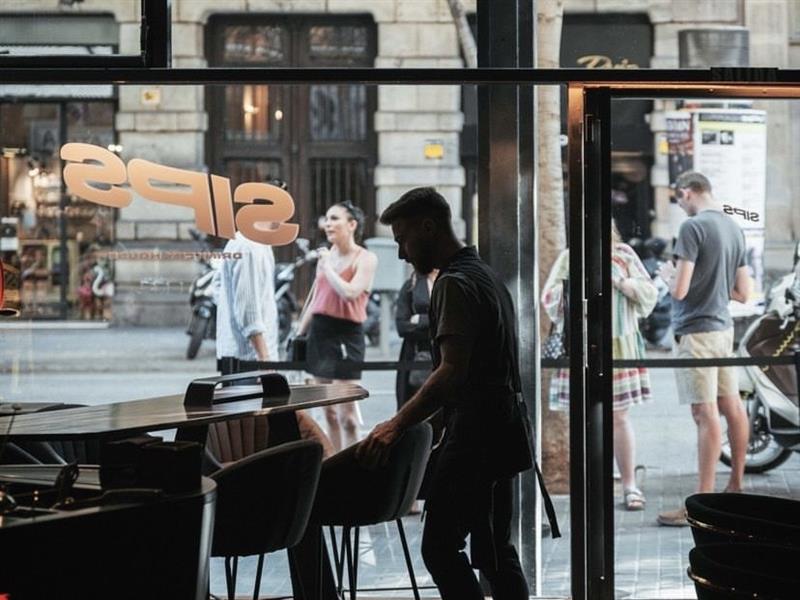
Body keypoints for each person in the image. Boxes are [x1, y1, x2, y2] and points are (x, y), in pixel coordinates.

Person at [357, 187, 534, 600]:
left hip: (477, 436)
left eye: (403, 239)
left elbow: (451, 372)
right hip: (502, 430)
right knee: (495, 551)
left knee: (440, 548)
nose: (400, 252)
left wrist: (395, 425)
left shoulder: (454, 284)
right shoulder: (484, 275)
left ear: (429, 227)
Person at [656, 171, 750, 527]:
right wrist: (713, 287)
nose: (680, 206)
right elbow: (744, 292)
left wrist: (669, 277)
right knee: (732, 406)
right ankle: (735, 486)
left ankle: (702, 506)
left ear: (687, 192)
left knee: (705, 413)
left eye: (679, 199)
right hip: (723, 329)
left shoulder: (692, 229)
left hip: (696, 331)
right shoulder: (733, 227)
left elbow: (679, 291)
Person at [542, 222, 657, 511]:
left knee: (618, 417)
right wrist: (574, 288)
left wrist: (620, 282)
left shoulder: (624, 255)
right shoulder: (570, 257)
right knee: (583, 418)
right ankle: (590, 485)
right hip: (580, 345)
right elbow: (549, 297)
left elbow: (649, 294)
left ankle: (629, 485)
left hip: (619, 343)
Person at [216, 188, 334, 458]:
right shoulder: (250, 246)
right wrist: (267, 365)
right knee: (251, 445)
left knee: (252, 442)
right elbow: (250, 314)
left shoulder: (249, 243)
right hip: (249, 368)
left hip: (244, 365)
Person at [298, 200, 378, 451]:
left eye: (335, 219)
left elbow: (351, 293)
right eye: (327, 219)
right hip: (320, 331)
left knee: (348, 417)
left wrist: (327, 268)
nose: (328, 224)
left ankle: (351, 466)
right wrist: (299, 334)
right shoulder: (328, 256)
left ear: (352, 225)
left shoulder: (365, 258)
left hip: (347, 334)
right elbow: (315, 301)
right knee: (329, 413)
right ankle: (333, 465)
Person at [395, 267, 438, 409]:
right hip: (417, 353)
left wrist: (421, 320)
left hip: (445, 355)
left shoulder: (451, 283)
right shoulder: (410, 286)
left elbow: (457, 321)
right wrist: (436, 327)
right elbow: (402, 326)